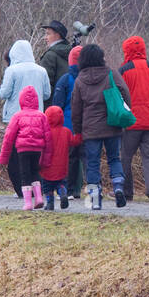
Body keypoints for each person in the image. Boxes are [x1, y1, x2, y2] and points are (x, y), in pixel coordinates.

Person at [70, 43, 131, 210]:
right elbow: (124, 91)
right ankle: (118, 187)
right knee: (114, 159)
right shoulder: (111, 73)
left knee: (92, 163)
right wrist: (124, 108)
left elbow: (75, 108)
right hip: (112, 124)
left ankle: (95, 199)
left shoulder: (80, 79)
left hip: (90, 129)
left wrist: (77, 129)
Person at [118, 35, 149, 202]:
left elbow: (118, 95)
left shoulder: (124, 70)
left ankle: (126, 191)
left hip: (131, 121)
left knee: (125, 156)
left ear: (127, 50)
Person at [0, 85, 51, 209]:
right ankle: (38, 197)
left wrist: (4, 158)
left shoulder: (17, 116)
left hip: (22, 150)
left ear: (21, 100)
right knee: (35, 172)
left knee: (24, 173)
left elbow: (8, 137)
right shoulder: (42, 116)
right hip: (37, 149)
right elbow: (48, 138)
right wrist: (47, 158)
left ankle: (27, 202)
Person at [51, 44, 85, 198]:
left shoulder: (65, 80)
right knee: (88, 158)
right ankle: (93, 189)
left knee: (70, 158)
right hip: (88, 125)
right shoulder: (89, 79)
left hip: (68, 125)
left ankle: (69, 190)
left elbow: (57, 106)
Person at [39, 104, 82, 209]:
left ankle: (50, 203)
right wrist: (80, 135)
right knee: (61, 183)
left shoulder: (45, 132)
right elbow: (74, 141)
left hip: (47, 166)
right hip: (62, 167)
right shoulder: (66, 132)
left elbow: (39, 145)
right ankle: (62, 192)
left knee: (47, 186)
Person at [0, 39, 50, 121]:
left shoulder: (12, 70)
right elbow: (47, 94)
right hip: (36, 116)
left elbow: (4, 94)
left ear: (13, 54)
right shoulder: (42, 71)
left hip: (14, 116)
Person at [39, 20, 72, 92]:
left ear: (57, 35)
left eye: (48, 34)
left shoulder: (50, 55)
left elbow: (44, 84)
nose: (45, 37)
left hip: (53, 101)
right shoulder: (72, 53)